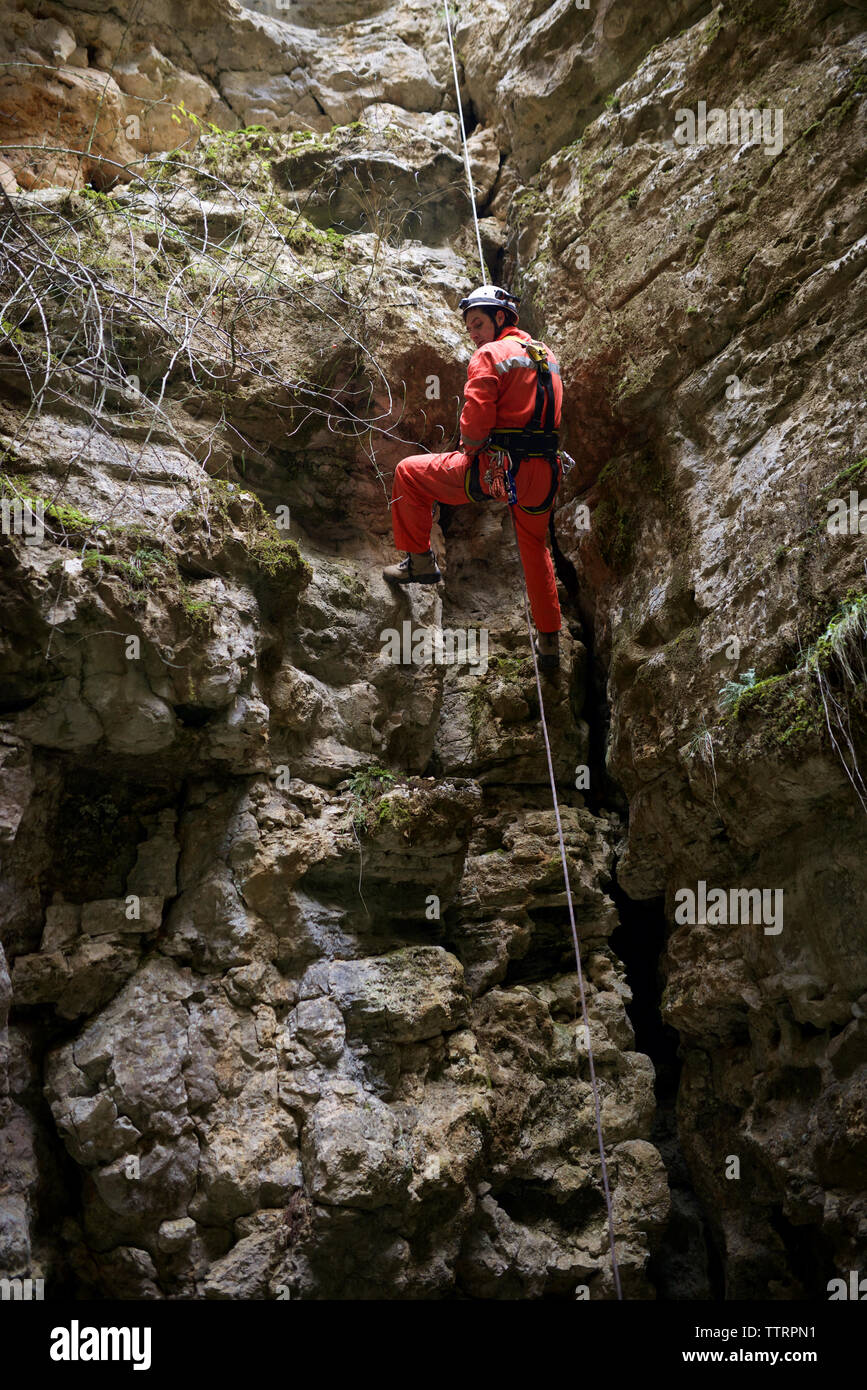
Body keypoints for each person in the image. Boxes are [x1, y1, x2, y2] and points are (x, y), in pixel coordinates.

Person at [383, 284, 563, 670]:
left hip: (495, 470)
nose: (475, 334)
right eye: (470, 329)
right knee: (534, 547)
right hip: (545, 473)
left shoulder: (490, 355)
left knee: (408, 473)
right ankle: (549, 641)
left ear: (501, 318)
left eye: (479, 323)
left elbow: (476, 428)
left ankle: (419, 562)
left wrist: (471, 448)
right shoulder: (547, 356)